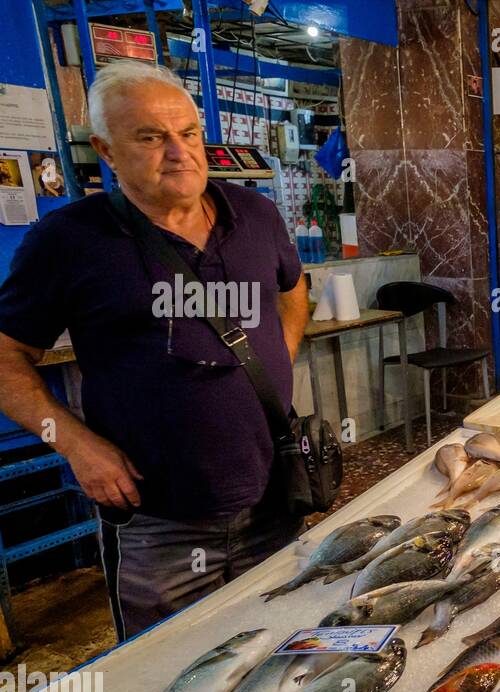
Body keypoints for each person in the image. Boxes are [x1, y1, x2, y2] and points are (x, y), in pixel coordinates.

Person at [0, 60, 310, 641]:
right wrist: (75, 444)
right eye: (150, 137)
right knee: (170, 674)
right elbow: (4, 357)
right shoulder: (68, 241)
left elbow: (293, 291)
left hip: (273, 496)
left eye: (188, 134)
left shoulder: (256, 214)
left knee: (276, 648)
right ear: (107, 150)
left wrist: (277, 365)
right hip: (158, 519)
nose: (178, 152)